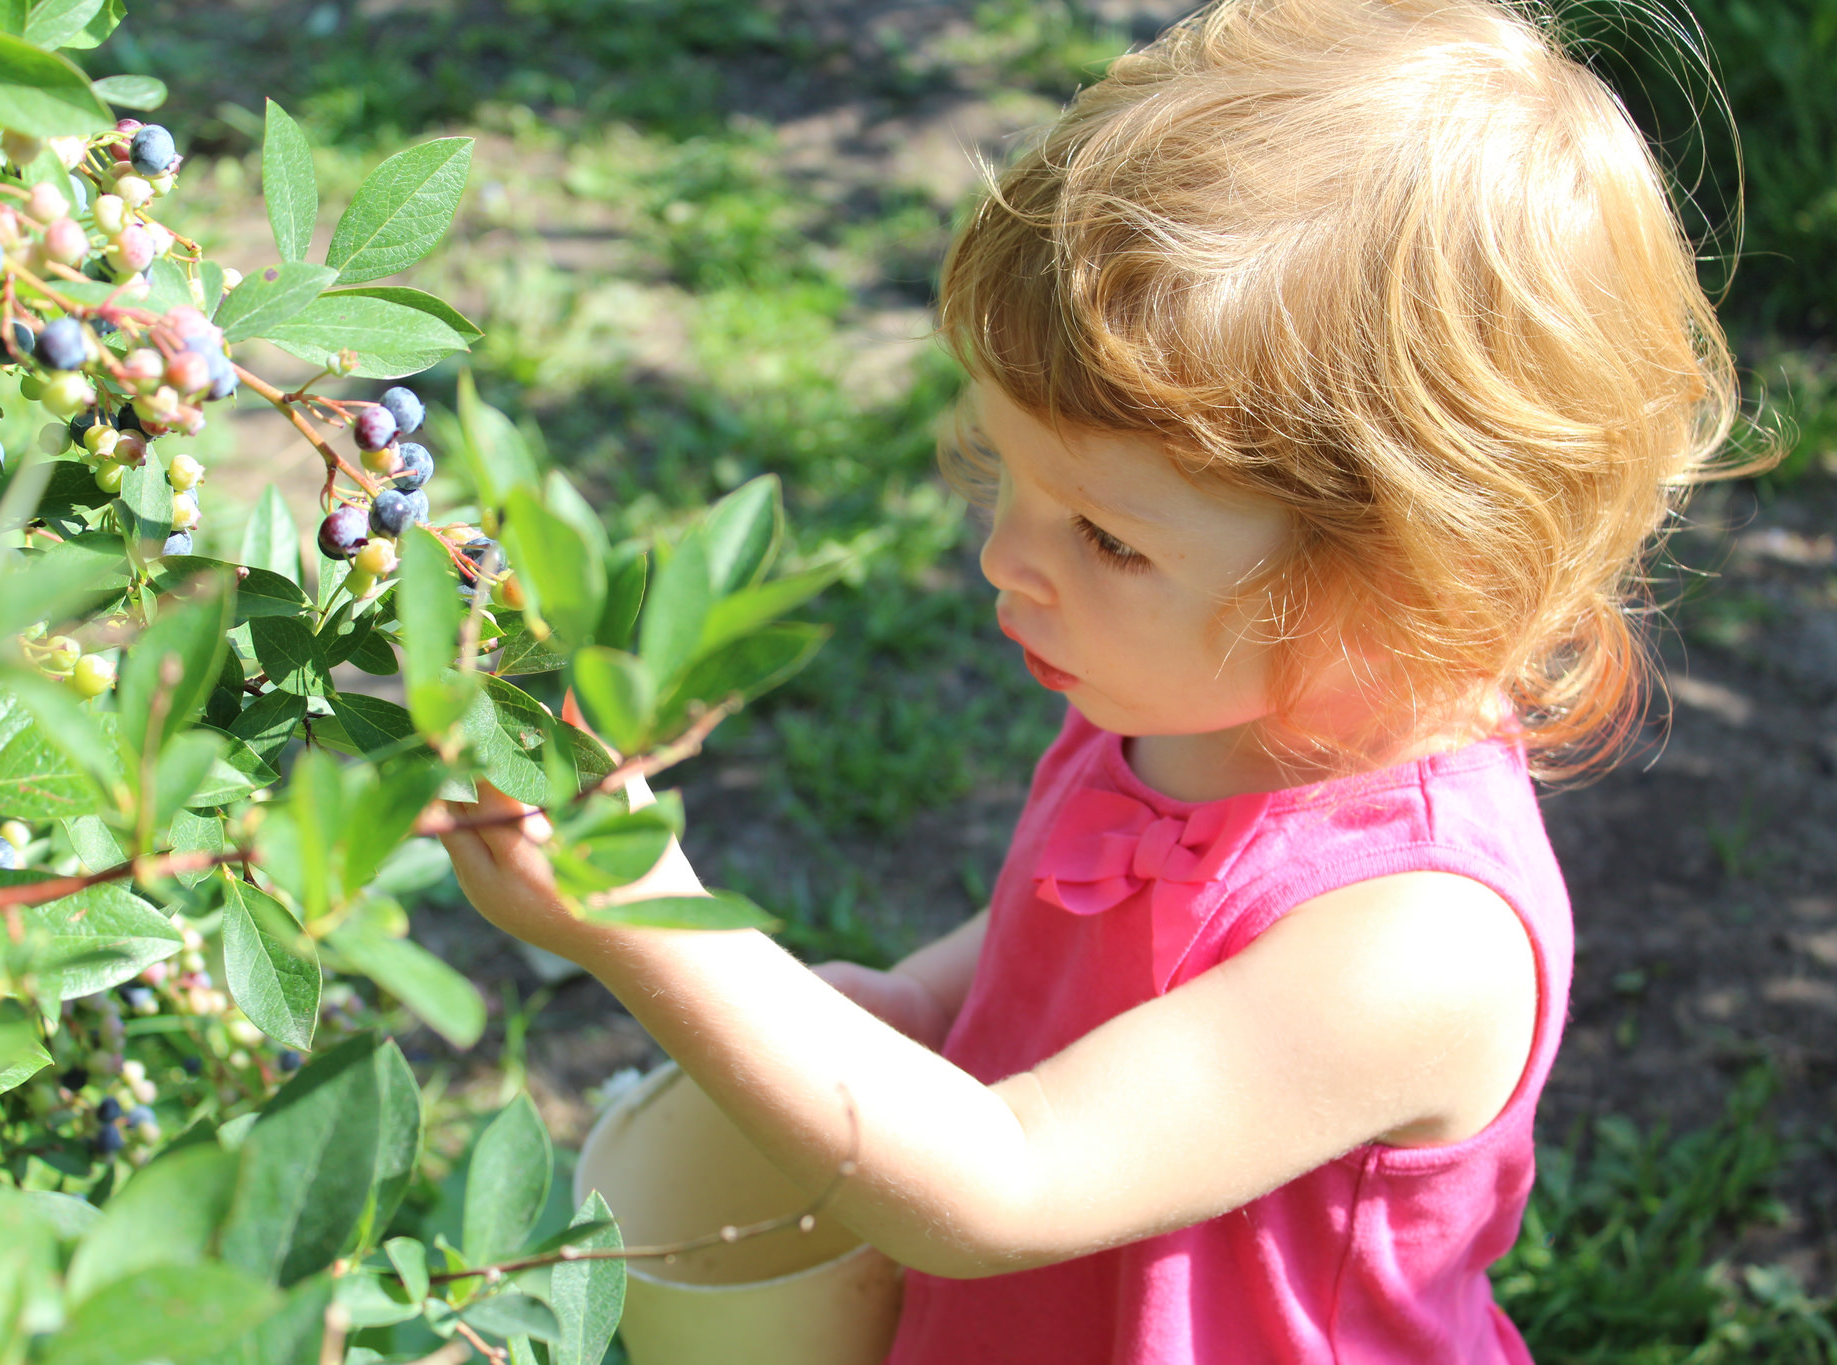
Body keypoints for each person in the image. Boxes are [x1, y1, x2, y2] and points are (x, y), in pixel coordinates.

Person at [441, 0, 1751, 1358]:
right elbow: (971, 1015)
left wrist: (639, 920)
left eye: (1109, 537)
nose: (1005, 558)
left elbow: (1009, 1173)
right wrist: (819, 1008)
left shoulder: (1415, 939)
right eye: (1006, 470)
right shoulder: (1176, 716)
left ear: (1410, 579)